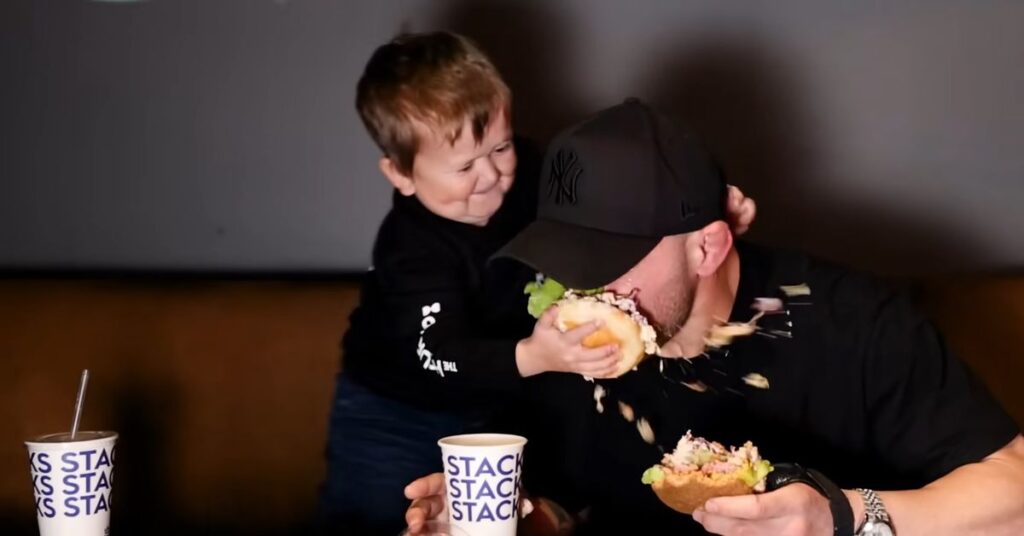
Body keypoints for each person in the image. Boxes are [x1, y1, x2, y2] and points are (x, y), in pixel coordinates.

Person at [404, 99, 1024, 536]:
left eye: (608, 261)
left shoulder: (856, 323)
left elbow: (1014, 497)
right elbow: (561, 507)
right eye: (565, 260)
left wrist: (843, 516)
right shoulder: (564, 344)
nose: (581, 288)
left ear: (707, 246)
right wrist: (505, 519)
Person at [320, 30, 761, 534]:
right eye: (464, 165)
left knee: (502, 521)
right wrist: (534, 356)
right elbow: (433, 353)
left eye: (500, 148)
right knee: (381, 518)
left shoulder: (537, 175)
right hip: (396, 411)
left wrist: (704, 219)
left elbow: (614, 221)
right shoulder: (410, 249)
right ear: (400, 173)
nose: (490, 175)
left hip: (504, 403)